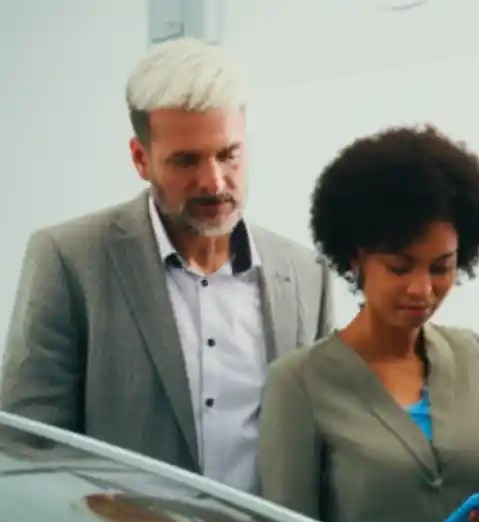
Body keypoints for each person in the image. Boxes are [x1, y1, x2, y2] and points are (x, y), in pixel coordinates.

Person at [0, 37, 332, 494]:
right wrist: (96, 507)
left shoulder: (306, 274)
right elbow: (27, 447)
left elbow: (326, 444)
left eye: (228, 154)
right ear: (141, 159)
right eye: (186, 160)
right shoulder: (69, 259)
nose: (214, 182)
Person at [258, 125, 479, 522]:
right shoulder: (299, 382)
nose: (422, 289)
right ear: (356, 258)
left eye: (441, 267)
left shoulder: (470, 354)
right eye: (400, 267)